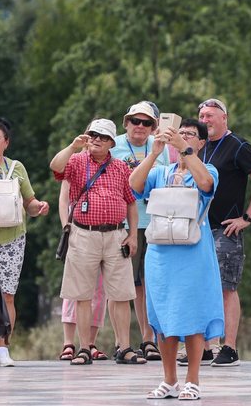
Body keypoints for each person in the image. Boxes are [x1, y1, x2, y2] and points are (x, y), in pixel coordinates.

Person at [129, 119, 224, 400]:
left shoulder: (207, 169)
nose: (183, 137)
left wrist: (185, 151)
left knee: (191, 315)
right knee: (163, 317)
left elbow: (207, 185)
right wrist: (154, 152)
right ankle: (169, 379)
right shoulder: (161, 172)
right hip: (161, 253)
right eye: (180, 133)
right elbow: (134, 186)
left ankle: (192, 379)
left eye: (191, 135)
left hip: (193, 252)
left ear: (202, 142)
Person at [50, 118, 143, 366]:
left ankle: (124, 347)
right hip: (84, 232)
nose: (97, 139)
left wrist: (133, 234)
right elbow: (55, 166)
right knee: (82, 294)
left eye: (102, 136)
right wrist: (72, 146)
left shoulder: (121, 167)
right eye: (93, 134)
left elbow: (131, 202)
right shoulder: (77, 161)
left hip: (115, 234)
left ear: (112, 142)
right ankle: (84, 348)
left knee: (121, 294)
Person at [197, 98, 251, 367]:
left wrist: (247, 218)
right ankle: (204, 347)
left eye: (211, 115)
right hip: (197, 229)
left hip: (225, 228)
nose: (205, 120)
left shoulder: (238, 146)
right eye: (202, 115)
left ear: (224, 118)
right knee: (201, 287)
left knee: (226, 288)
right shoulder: (198, 147)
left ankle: (229, 347)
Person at [0, 118, 49, 368]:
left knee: (8, 296)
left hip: (12, 238)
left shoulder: (16, 168)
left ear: (6, 143)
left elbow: (29, 202)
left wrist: (39, 207)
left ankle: (4, 347)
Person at [110, 101, 170, 361]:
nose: (140, 126)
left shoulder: (160, 149)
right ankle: (120, 342)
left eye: (147, 123)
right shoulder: (114, 145)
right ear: (126, 123)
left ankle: (149, 339)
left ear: (154, 127)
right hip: (122, 223)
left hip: (153, 221)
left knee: (149, 285)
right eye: (136, 121)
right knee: (122, 285)